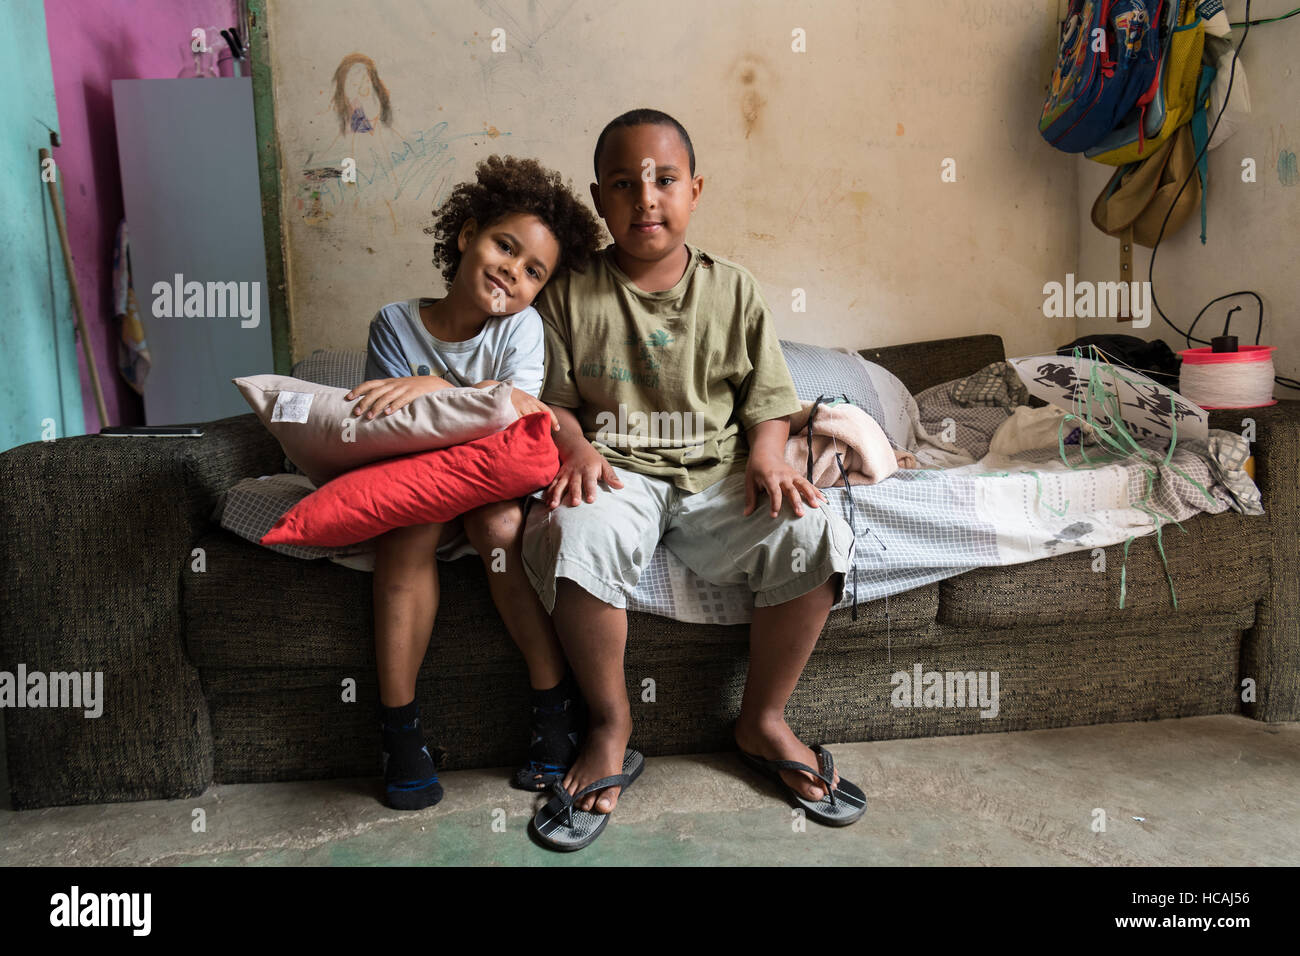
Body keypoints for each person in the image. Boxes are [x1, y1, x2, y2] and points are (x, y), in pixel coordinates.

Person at [522, 110, 867, 848]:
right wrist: (576, 447)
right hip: (620, 472)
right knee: (570, 535)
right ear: (599, 199)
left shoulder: (734, 288)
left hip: (717, 475)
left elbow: (769, 404)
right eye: (624, 184)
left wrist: (770, 455)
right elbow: (549, 402)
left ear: (695, 190)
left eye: (665, 180)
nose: (646, 198)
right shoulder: (570, 292)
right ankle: (611, 727)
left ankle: (763, 720)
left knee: (812, 530)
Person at [346, 155, 602, 810]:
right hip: (419, 474)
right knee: (407, 531)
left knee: (499, 528)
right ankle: (401, 736)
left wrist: (434, 389)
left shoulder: (521, 328)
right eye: (503, 246)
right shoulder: (393, 325)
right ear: (466, 235)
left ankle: (553, 711)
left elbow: (511, 415)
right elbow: (384, 424)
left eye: (532, 271)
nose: (511, 272)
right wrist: (445, 405)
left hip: (491, 475)